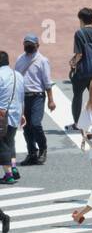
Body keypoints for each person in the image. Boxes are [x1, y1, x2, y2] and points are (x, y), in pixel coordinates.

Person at [14, 34, 55, 167]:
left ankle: (42, 149)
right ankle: (32, 153)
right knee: (26, 126)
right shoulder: (20, 59)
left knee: (36, 124)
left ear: (37, 45)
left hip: (37, 96)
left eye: (31, 44)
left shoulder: (42, 60)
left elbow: (47, 82)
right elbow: (16, 77)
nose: (28, 46)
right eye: (26, 44)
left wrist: (51, 100)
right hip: (23, 97)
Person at [68, 7, 92, 127]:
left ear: (82, 20)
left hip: (83, 71)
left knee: (77, 96)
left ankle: (77, 123)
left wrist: (73, 62)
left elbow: (79, 54)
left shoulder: (79, 33)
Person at [0, 52, 21, 185]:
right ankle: (13, 168)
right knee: (10, 141)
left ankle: (8, 175)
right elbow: (21, 97)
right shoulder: (17, 75)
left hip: (2, 114)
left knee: (2, 144)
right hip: (16, 113)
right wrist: (22, 114)